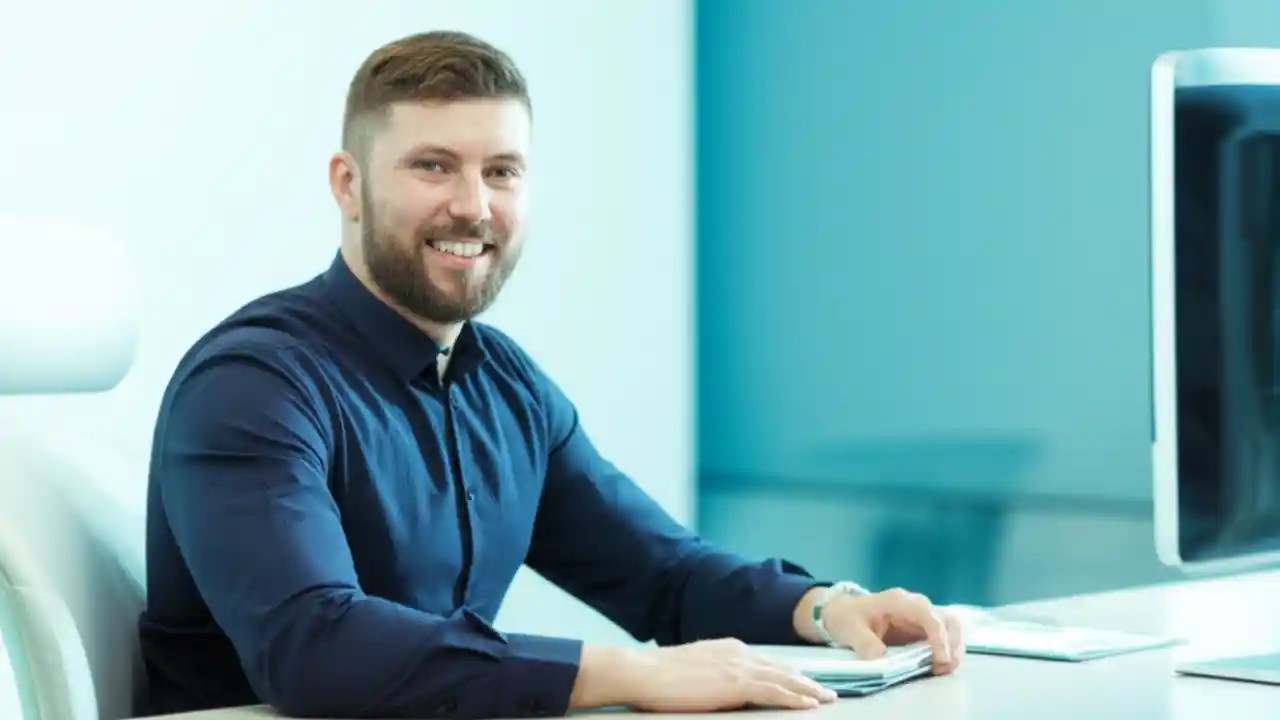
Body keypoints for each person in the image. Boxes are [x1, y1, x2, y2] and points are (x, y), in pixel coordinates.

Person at [137, 30, 964, 719]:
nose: (474, 205)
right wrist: (630, 673)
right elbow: (313, 648)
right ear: (347, 186)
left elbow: (663, 572)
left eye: (502, 171)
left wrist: (826, 609)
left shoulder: (506, 386)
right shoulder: (252, 385)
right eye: (433, 166)